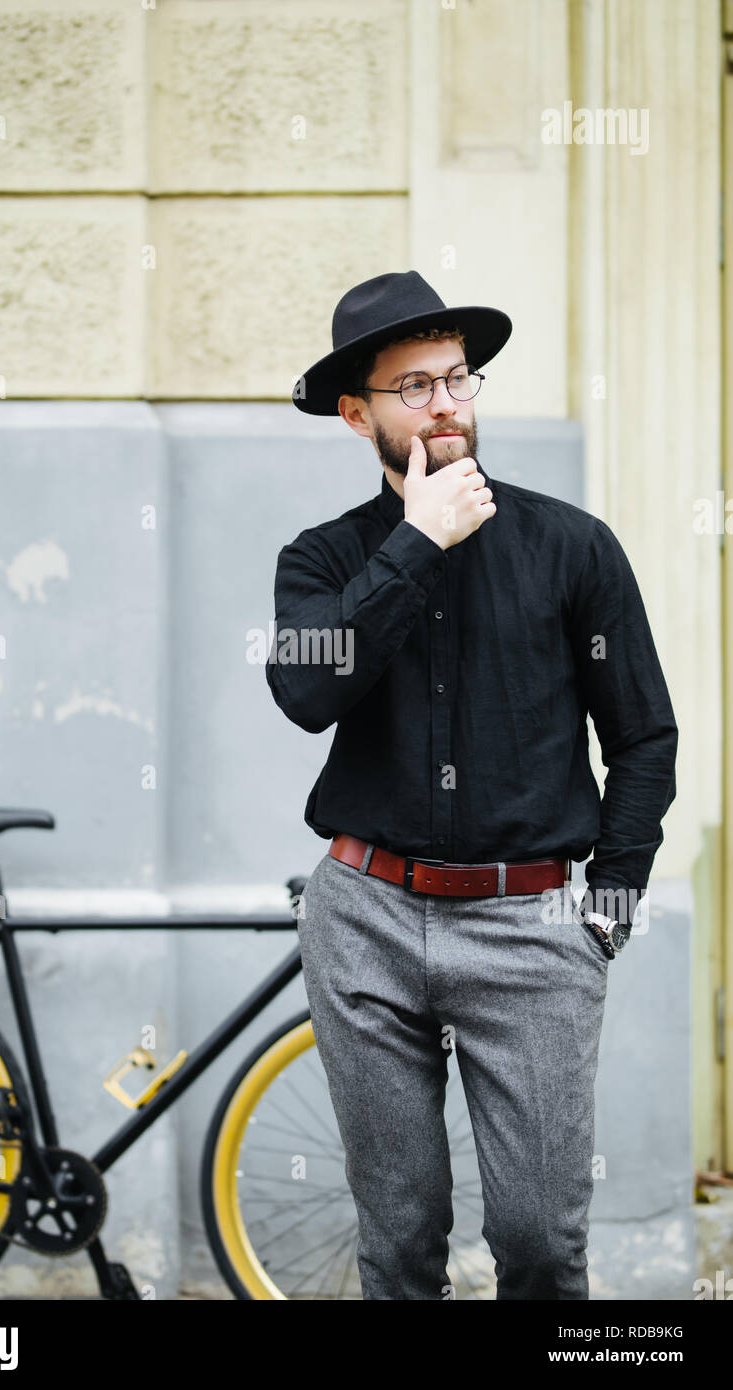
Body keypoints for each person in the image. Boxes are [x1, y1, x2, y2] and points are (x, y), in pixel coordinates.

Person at [264, 269, 678, 1300]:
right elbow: (308, 691)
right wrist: (416, 542)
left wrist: (606, 908)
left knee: (538, 1241)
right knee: (398, 1238)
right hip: (364, 916)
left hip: (530, 921)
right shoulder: (323, 559)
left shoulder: (570, 547)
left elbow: (642, 735)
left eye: (457, 377)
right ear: (355, 412)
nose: (446, 402)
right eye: (413, 387)